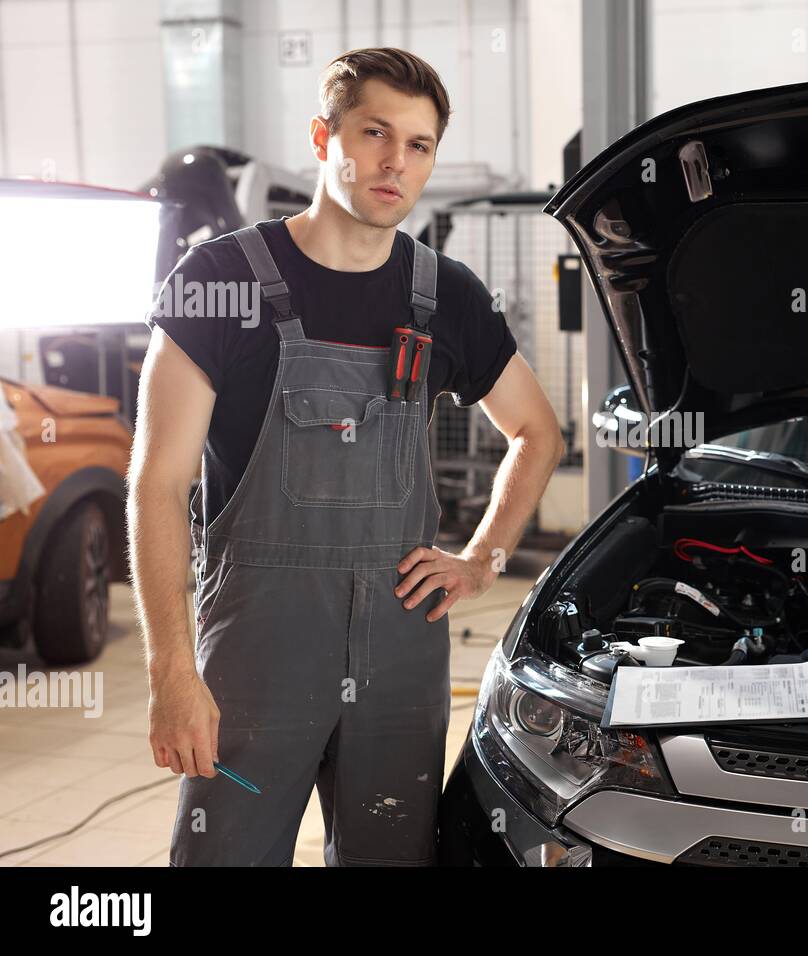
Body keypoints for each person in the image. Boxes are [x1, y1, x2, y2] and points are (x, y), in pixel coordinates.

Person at [127, 47, 565, 866]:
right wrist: (170, 672)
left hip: (400, 658)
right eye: (374, 133)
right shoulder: (220, 281)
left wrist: (482, 558)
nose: (395, 162)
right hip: (259, 654)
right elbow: (156, 485)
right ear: (324, 136)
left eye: (420, 144)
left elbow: (538, 433)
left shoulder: (448, 296)